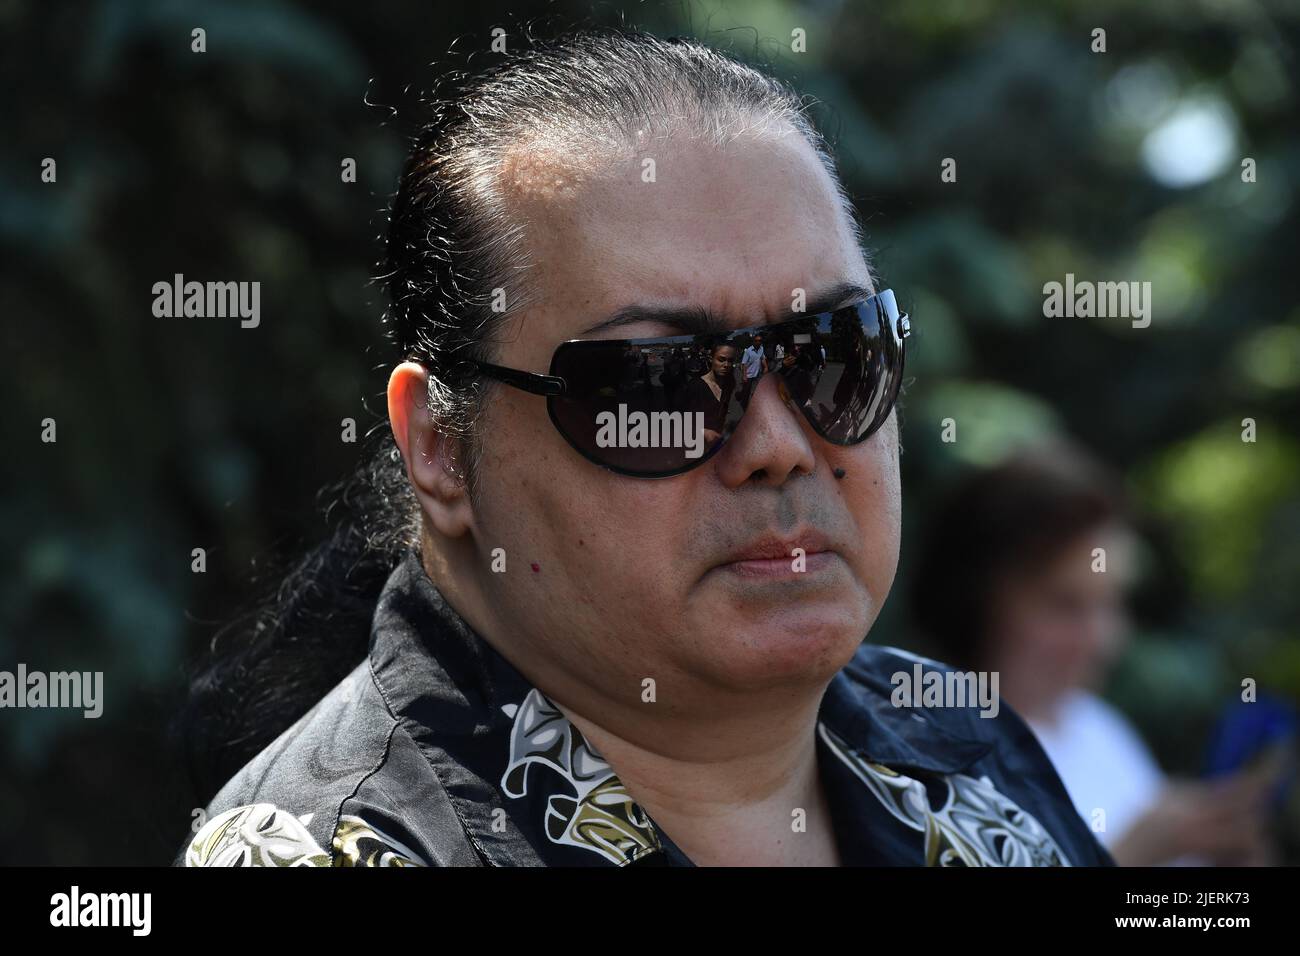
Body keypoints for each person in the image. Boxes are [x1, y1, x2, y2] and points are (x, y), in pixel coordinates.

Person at [175, 28, 1112, 868]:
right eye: (658, 382)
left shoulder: (960, 739)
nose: (779, 444)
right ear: (439, 449)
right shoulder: (328, 851)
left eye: (837, 355)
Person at [909, 444, 1275, 866]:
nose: (1102, 638)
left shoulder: (1099, 728)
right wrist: (1129, 854)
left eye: (1112, 603)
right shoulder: (934, 752)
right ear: (975, 601)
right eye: (1064, 604)